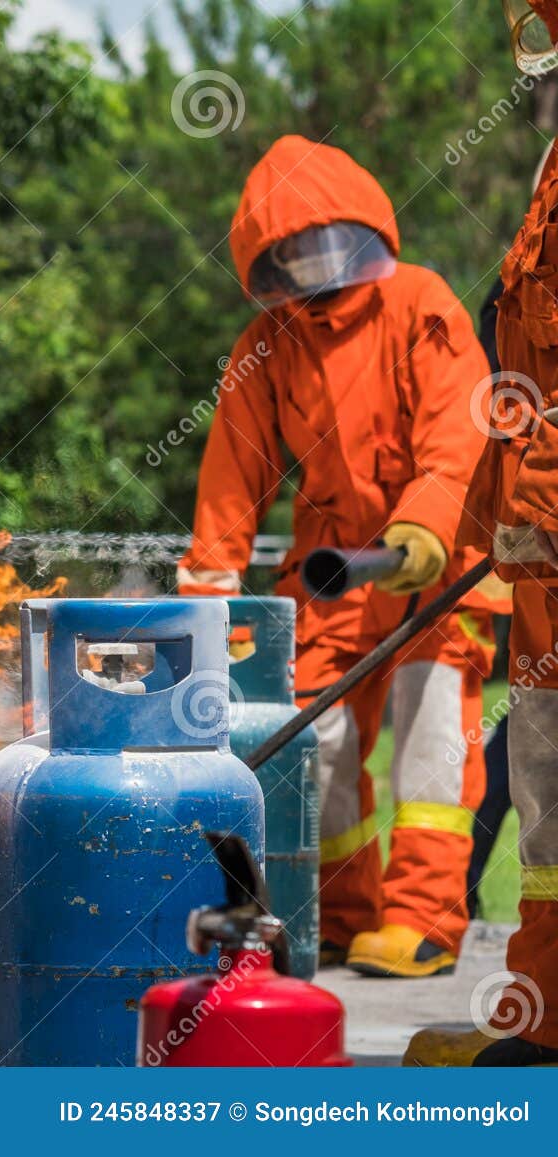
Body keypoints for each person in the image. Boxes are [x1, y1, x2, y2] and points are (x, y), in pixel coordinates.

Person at [179, 135, 500, 979]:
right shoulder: (266, 344)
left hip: (434, 562)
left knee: (430, 742)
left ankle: (424, 919)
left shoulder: (423, 303)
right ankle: (342, 914)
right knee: (313, 750)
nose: (321, 265)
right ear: (268, 262)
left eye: (332, 241)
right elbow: (232, 471)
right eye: (298, 250)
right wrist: (211, 588)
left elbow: (457, 436)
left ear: (369, 229)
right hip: (332, 578)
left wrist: (425, 530)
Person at [406, 0, 558, 1067]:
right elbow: (517, 387)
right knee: (547, 811)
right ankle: (545, 1013)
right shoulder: (551, 184)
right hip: (541, 569)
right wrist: (455, 536)